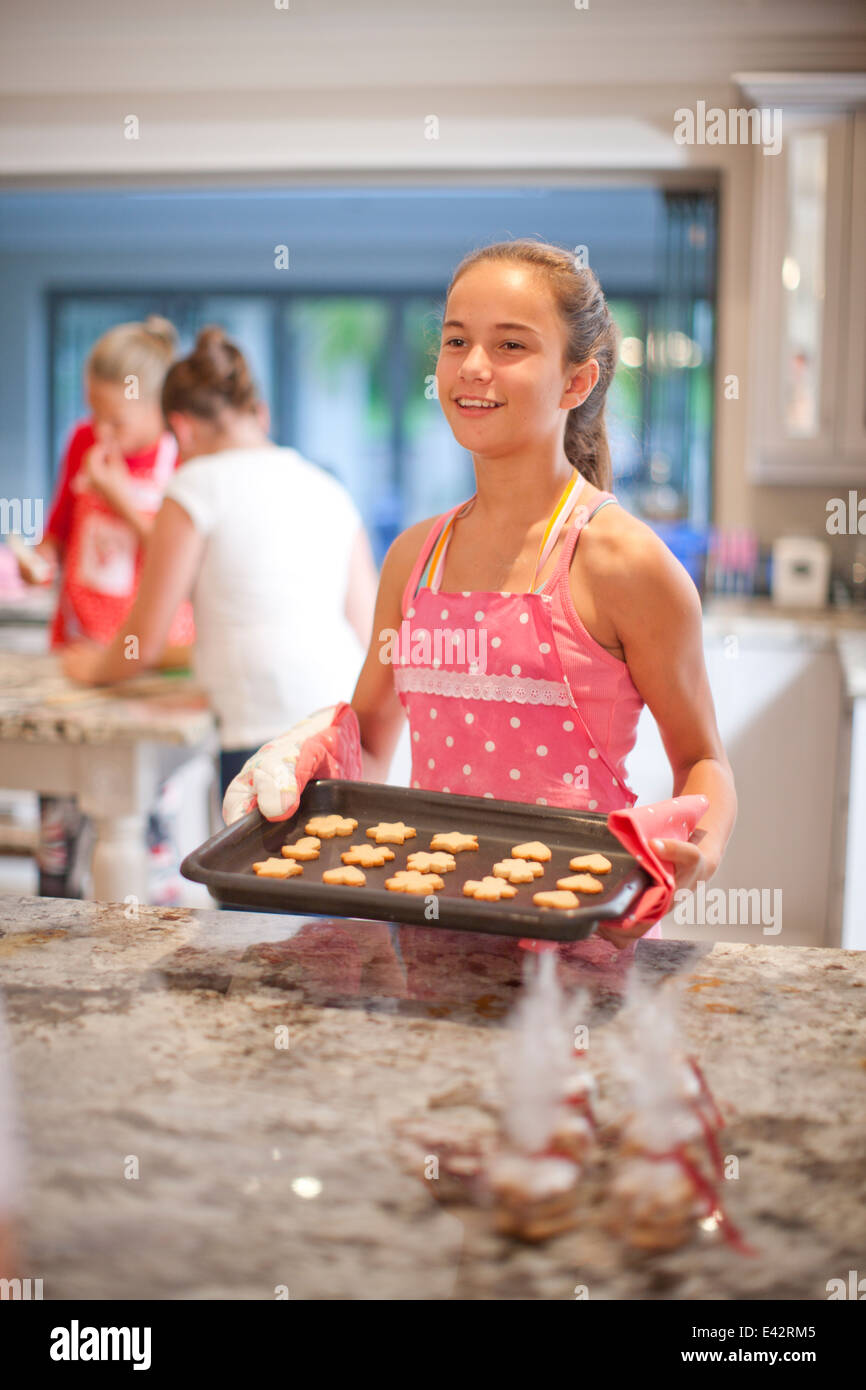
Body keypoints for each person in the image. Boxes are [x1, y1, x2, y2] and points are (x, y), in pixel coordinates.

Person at [218, 238, 737, 954]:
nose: (473, 367)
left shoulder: (623, 562)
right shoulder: (415, 558)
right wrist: (304, 755)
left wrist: (699, 849)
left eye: (511, 345)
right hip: (422, 928)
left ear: (576, 382)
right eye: (456, 340)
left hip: (570, 940)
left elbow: (704, 760)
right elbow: (370, 737)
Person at [62, 326, 378, 804]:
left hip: (263, 732)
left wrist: (89, 669)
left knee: (255, 876)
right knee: (330, 873)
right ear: (257, 412)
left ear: (182, 426)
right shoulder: (329, 489)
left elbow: (140, 646)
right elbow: (370, 632)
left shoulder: (193, 485)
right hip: (341, 726)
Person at [18, 316, 194, 898]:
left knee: (135, 809)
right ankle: (53, 914)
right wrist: (36, 560)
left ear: (159, 409)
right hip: (75, 649)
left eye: (116, 419)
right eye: (94, 413)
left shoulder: (180, 460)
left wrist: (117, 493)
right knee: (57, 808)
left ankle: (148, 929)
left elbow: (177, 559)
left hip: (143, 665)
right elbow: (59, 534)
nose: (101, 429)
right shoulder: (82, 444)